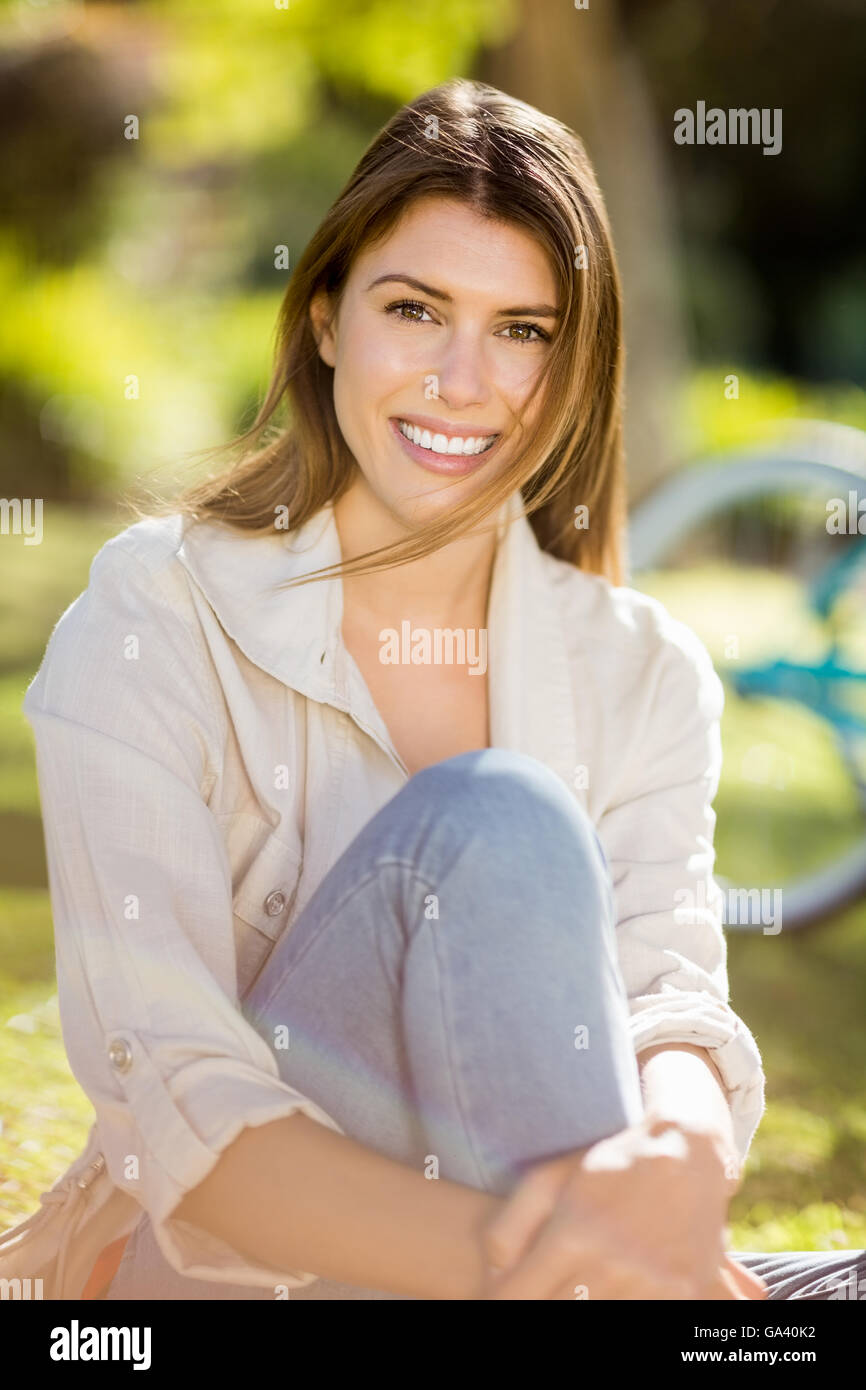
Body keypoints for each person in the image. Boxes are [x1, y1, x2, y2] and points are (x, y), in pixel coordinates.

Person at [8, 78, 865, 1302]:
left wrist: (677, 1143)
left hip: (560, 1269)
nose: (463, 381)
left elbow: (663, 995)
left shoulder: (640, 668)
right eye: (415, 309)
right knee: (492, 824)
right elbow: (183, 1112)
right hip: (236, 1278)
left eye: (522, 330)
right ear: (324, 320)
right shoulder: (156, 615)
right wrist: (591, 1279)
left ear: (575, 366)